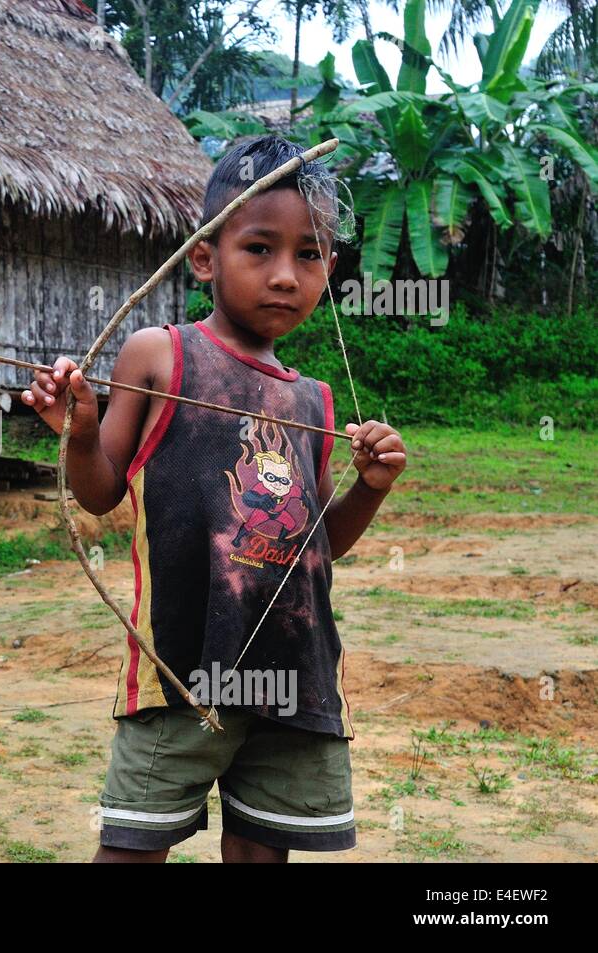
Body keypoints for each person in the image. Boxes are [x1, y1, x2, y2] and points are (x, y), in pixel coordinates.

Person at [21, 135, 407, 862]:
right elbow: (102, 492)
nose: (286, 276)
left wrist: (371, 487)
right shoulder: (159, 355)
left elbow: (319, 542)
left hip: (294, 677)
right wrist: (80, 430)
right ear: (204, 256)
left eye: (311, 254)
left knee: (263, 852)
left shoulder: (316, 401)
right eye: (259, 248)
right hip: (181, 672)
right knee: (133, 847)